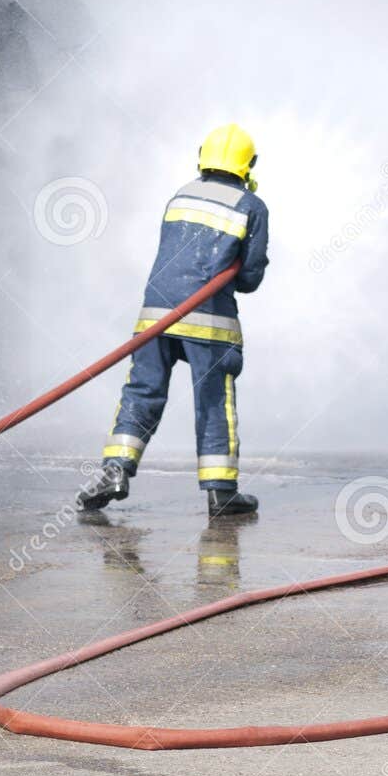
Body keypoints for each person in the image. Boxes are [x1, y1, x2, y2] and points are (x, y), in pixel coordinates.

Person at [78, 123, 269, 519]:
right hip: (209, 320)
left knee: (141, 392)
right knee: (214, 400)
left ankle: (115, 471)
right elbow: (250, 278)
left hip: (155, 313)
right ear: (247, 165)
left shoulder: (180, 195)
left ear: (203, 157)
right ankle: (221, 493)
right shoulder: (252, 206)